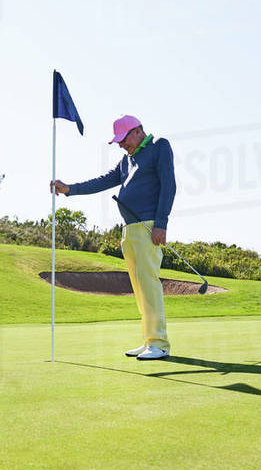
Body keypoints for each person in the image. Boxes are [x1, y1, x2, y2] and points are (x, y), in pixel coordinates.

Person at [51, 115, 176, 360]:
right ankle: (149, 339)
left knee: (148, 284)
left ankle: (159, 343)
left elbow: (169, 185)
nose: (121, 145)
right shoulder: (126, 162)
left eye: (123, 139)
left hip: (149, 226)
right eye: (118, 141)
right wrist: (70, 189)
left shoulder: (159, 147)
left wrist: (162, 223)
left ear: (138, 131)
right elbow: (103, 181)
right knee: (139, 288)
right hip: (130, 230)